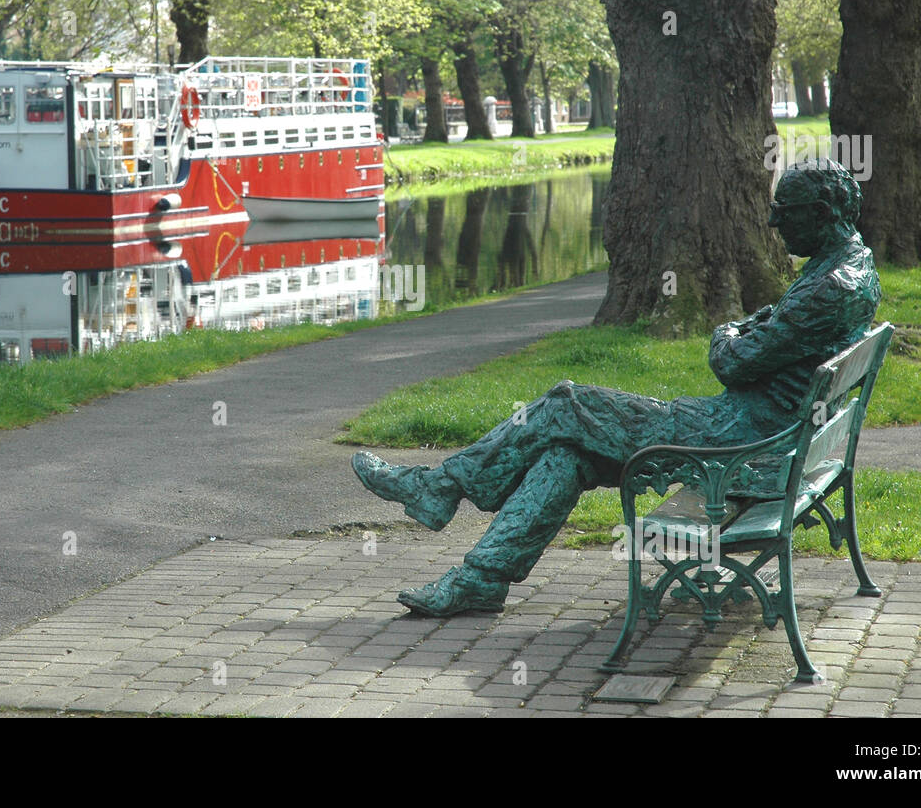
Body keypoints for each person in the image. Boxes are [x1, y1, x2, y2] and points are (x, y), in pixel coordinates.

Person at [351, 159, 881, 616]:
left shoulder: (828, 287)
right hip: (773, 441)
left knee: (566, 403)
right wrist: (747, 333)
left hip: (745, 449)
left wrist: (725, 332)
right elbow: (761, 338)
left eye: (784, 211)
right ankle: (479, 579)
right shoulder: (851, 263)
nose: (772, 219)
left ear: (821, 213)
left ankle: (441, 487)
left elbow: (733, 361)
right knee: (567, 455)